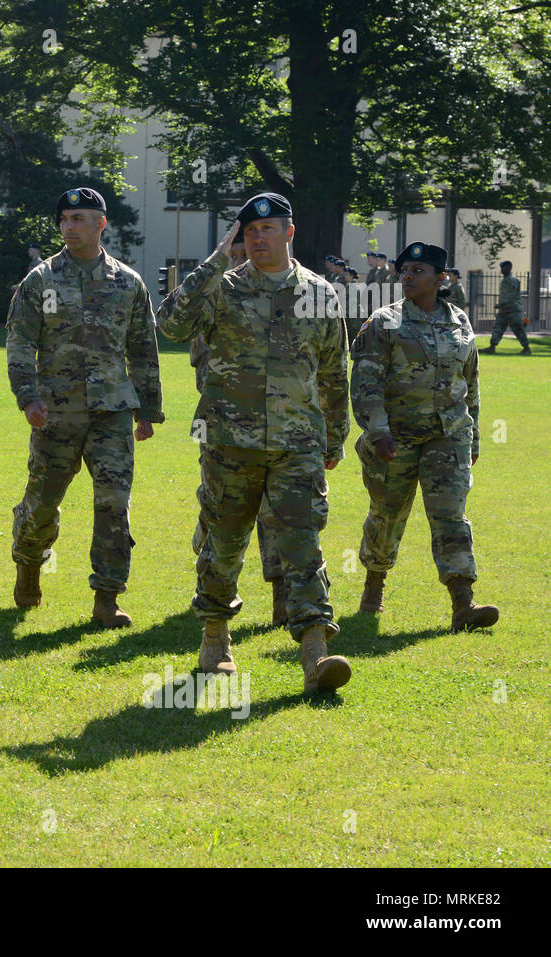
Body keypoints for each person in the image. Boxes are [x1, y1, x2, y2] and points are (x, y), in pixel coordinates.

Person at [157, 192, 352, 693]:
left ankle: (315, 653)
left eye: (268, 229)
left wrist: (335, 435)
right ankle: (216, 639)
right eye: (248, 232)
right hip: (229, 442)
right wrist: (216, 260)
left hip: (297, 443)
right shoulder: (220, 289)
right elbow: (171, 323)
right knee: (224, 543)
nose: (258, 238)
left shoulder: (320, 293)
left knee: (303, 545)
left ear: (290, 233)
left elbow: (333, 370)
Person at [6, 187, 162, 626]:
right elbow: (20, 341)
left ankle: (107, 597)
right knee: (42, 502)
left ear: (101, 224)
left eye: (79, 218)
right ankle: (29, 562)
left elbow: (142, 348)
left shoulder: (128, 283)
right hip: (55, 413)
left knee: (114, 504)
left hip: (111, 412)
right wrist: (28, 397)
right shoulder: (40, 280)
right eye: (65, 219)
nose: (69, 227)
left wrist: (148, 409)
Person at [351, 242, 498, 631]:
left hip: (448, 436)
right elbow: (366, 382)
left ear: (441, 278)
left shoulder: (460, 323)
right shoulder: (384, 321)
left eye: (418, 270)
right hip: (395, 438)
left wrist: (475, 437)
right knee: (387, 515)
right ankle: (374, 584)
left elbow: (471, 383)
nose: (408, 276)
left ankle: (463, 603)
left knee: (451, 516)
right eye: (405, 270)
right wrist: (378, 430)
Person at [187, 229, 289, 627]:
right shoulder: (215, 296)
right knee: (219, 504)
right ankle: (209, 564)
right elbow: (195, 350)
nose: (240, 262)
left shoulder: (279, 296)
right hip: (221, 423)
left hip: (276, 424)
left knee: (273, 511)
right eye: (235, 254)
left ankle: (281, 594)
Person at [482, 260, 530, 354]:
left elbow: (511, 296)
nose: (501, 269)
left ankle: (526, 348)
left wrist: (500, 304)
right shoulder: (505, 280)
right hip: (504, 310)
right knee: (498, 328)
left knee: (518, 329)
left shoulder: (512, 280)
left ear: (508, 268)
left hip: (513, 310)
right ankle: (492, 347)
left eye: (503, 267)